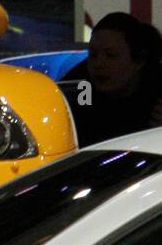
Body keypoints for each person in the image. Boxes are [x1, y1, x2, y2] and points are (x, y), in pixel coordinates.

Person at [65, 12, 162, 146]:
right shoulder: (82, 86)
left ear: (139, 61)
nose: (98, 64)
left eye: (111, 55)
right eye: (93, 54)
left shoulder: (157, 89)